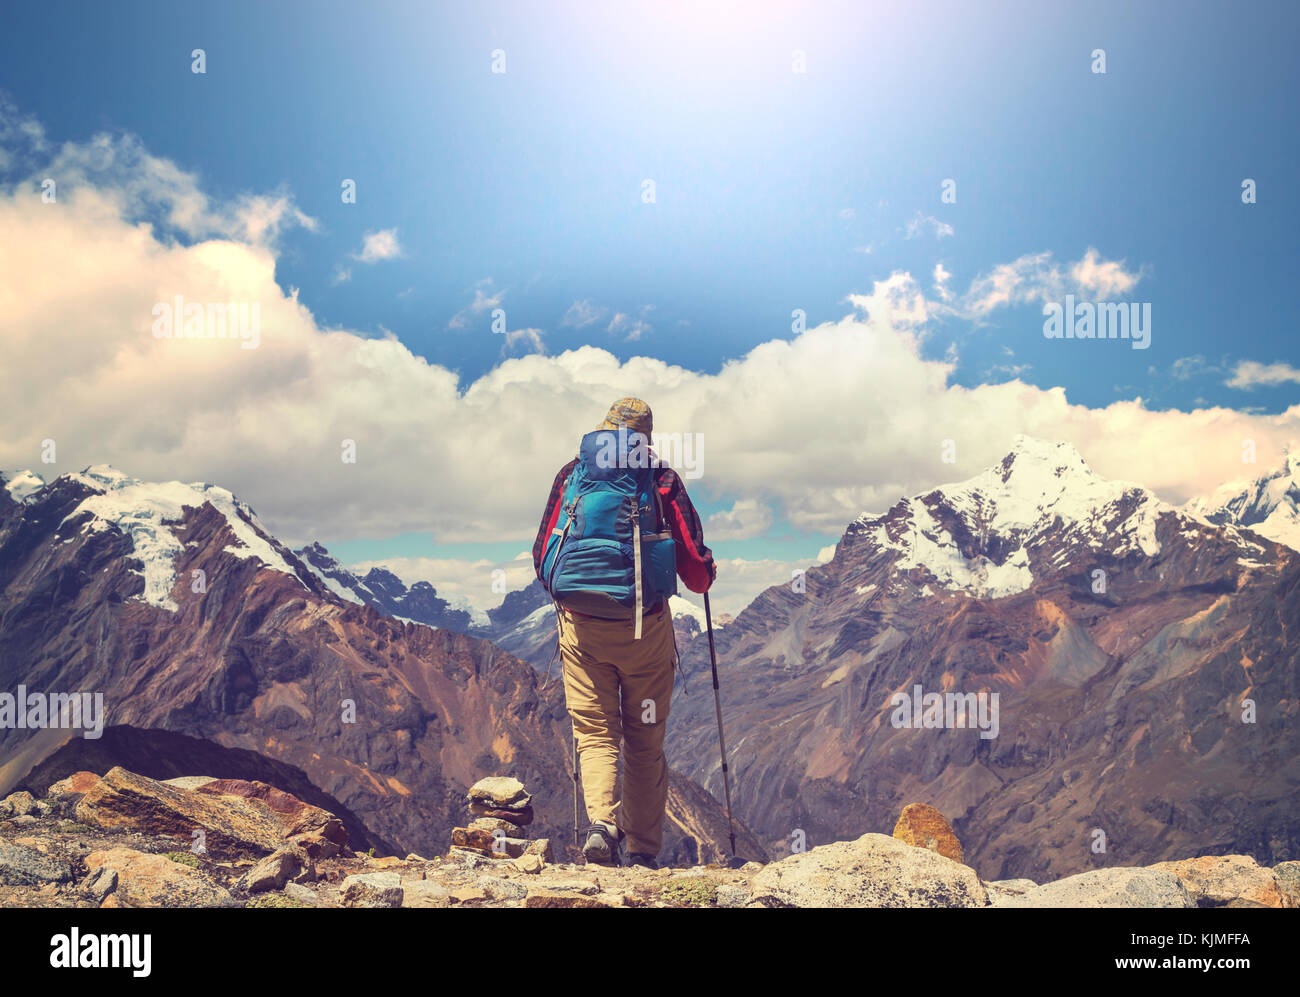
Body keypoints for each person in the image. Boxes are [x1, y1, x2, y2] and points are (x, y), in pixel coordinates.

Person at [532, 397, 716, 868]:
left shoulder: (573, 474)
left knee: (595, 732)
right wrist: (706, 567)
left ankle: (601, 826)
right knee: (644, 738)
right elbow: (695, 573)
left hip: (582, 630)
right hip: (644, 632)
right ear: (645, 438)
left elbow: (542, 555)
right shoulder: (660, 479)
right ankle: (641, 853)